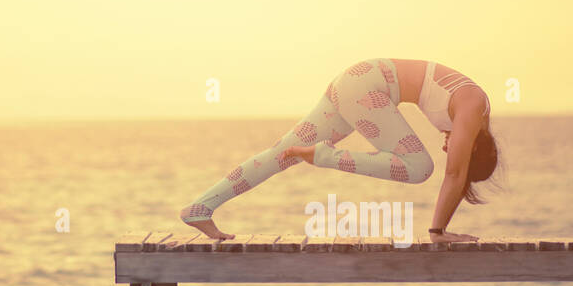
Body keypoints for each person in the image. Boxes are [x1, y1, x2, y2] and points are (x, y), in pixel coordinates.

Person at [179, 58, 503, 242]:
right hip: (369, 86)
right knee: (420, 167)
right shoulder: (473, 109)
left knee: (282, 152)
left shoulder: (470, 118)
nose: (449, 149)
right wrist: (438, 232)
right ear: (474, 149)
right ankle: (323, 156)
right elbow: (455, 174)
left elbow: (460, 173)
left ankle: (200, 208)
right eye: (457, 151)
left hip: (356, 81)